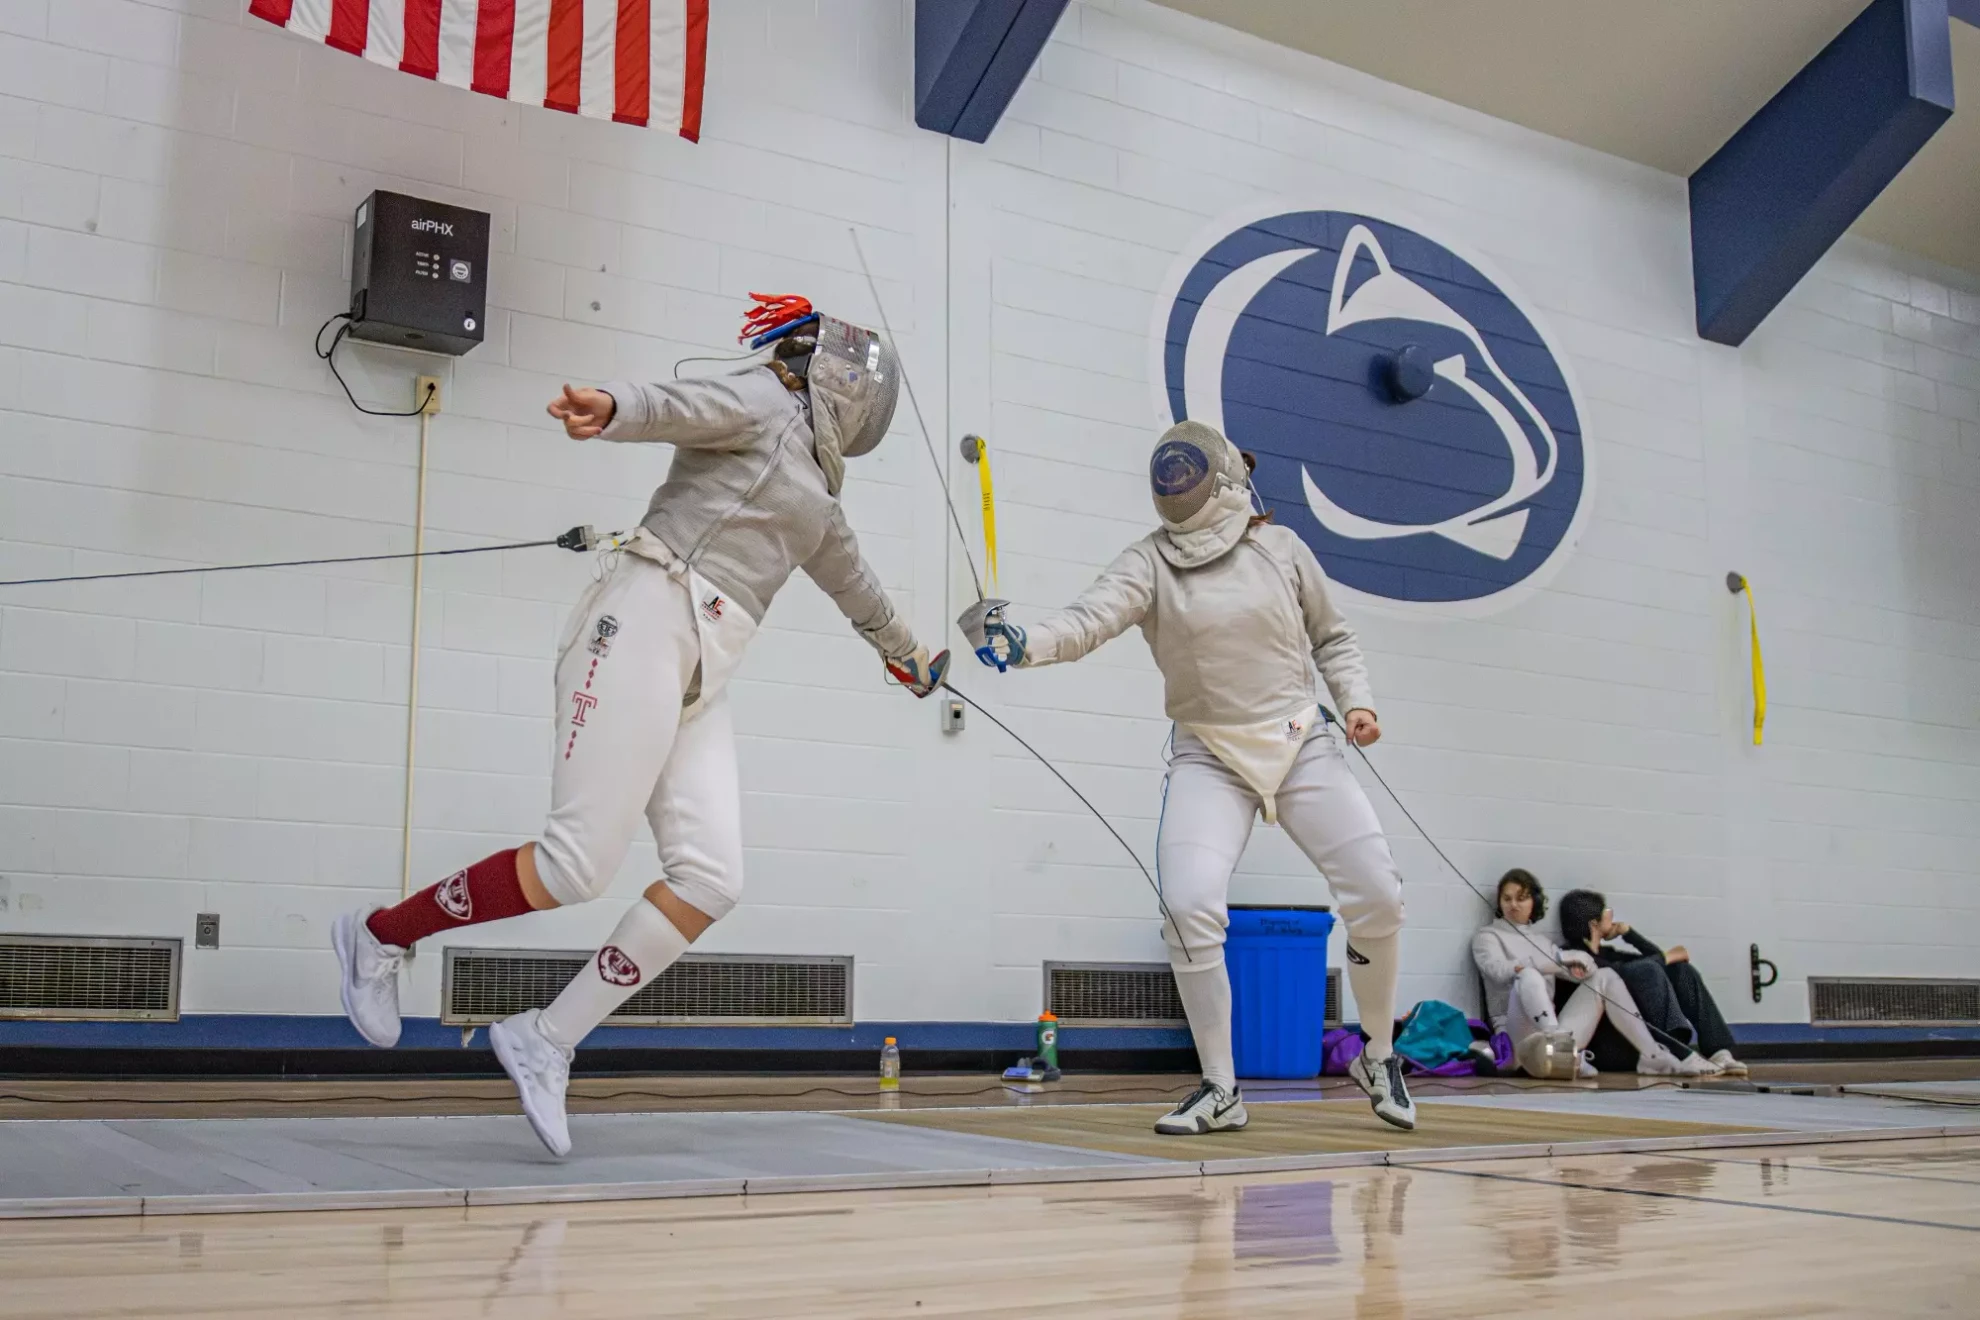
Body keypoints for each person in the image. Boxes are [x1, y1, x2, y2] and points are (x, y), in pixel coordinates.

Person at [331, 297, 942, 1156]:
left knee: (711, 879)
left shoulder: (815, 491)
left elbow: (855, 582)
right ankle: (378, 935)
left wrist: (909, 655)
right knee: (574, 867)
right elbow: (686, 405)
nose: (787, 357)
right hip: (645, 619)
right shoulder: (767, 402)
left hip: (700, 671)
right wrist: (615, 407)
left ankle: (545, 1038)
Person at [966, 419, 1415, 1134]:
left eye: (1190, 473)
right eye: (1169, 476)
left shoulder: (1282, 549)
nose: (1178, 484)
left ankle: (1380, 1054)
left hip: (1302, 742)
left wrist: (1356, 702)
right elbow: (1087, 622)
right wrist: (1021, 645)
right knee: (1188, 906)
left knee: (1379, 896)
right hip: (1209, 752)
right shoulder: (1150, 563)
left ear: (1229, 477)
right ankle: (1221, 1088)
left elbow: (1332, 636)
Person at [1471, 870, 1706, 1078]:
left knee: (1605, 976)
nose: (1514, 905)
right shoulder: (1488, 936)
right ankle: (1561, 1047)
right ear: (1499, 903)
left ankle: (1652, 1056)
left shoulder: (1542, 942)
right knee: (1529, 975)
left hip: (1551, 1033)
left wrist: (1581, 970)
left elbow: (1572, 970)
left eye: (1521, 898)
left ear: (1535, 902)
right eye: (1507, 899)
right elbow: (1498, 971)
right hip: (1517, 1037)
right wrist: (1558, 960)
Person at [1557, 889, 1744, 1076]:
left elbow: (1655, 960)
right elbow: (1626, 972)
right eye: (1606, 911)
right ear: (1594, 923)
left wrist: (1629, 934)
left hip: (1644, 1039)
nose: (1611, 914)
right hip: (1610, 1046)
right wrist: (1666, 956)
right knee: (1645, 969)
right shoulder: (1574, 957)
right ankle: (1678, 1052)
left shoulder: (1608, 953)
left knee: (1679, 970)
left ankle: (1719, 1050)